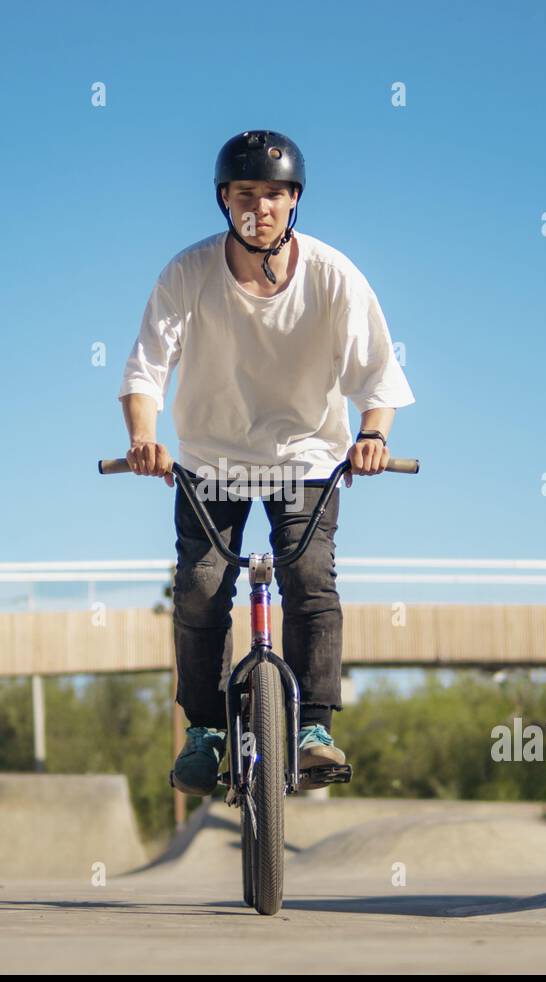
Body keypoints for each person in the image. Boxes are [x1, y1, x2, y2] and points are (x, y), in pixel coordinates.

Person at [116, 130, 415, 795]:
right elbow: (146, 370)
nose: (261, 206)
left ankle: (311, 729)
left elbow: (378, 374)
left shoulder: (334, 277)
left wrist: (372, 436)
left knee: (308, 577)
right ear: (224, 200)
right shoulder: (187, 274)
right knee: (199, 586)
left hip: (304, 453)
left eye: (274, 194)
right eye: (246, 193)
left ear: (294, 201)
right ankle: (205, 731)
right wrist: (144, 437)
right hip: (211, 456)